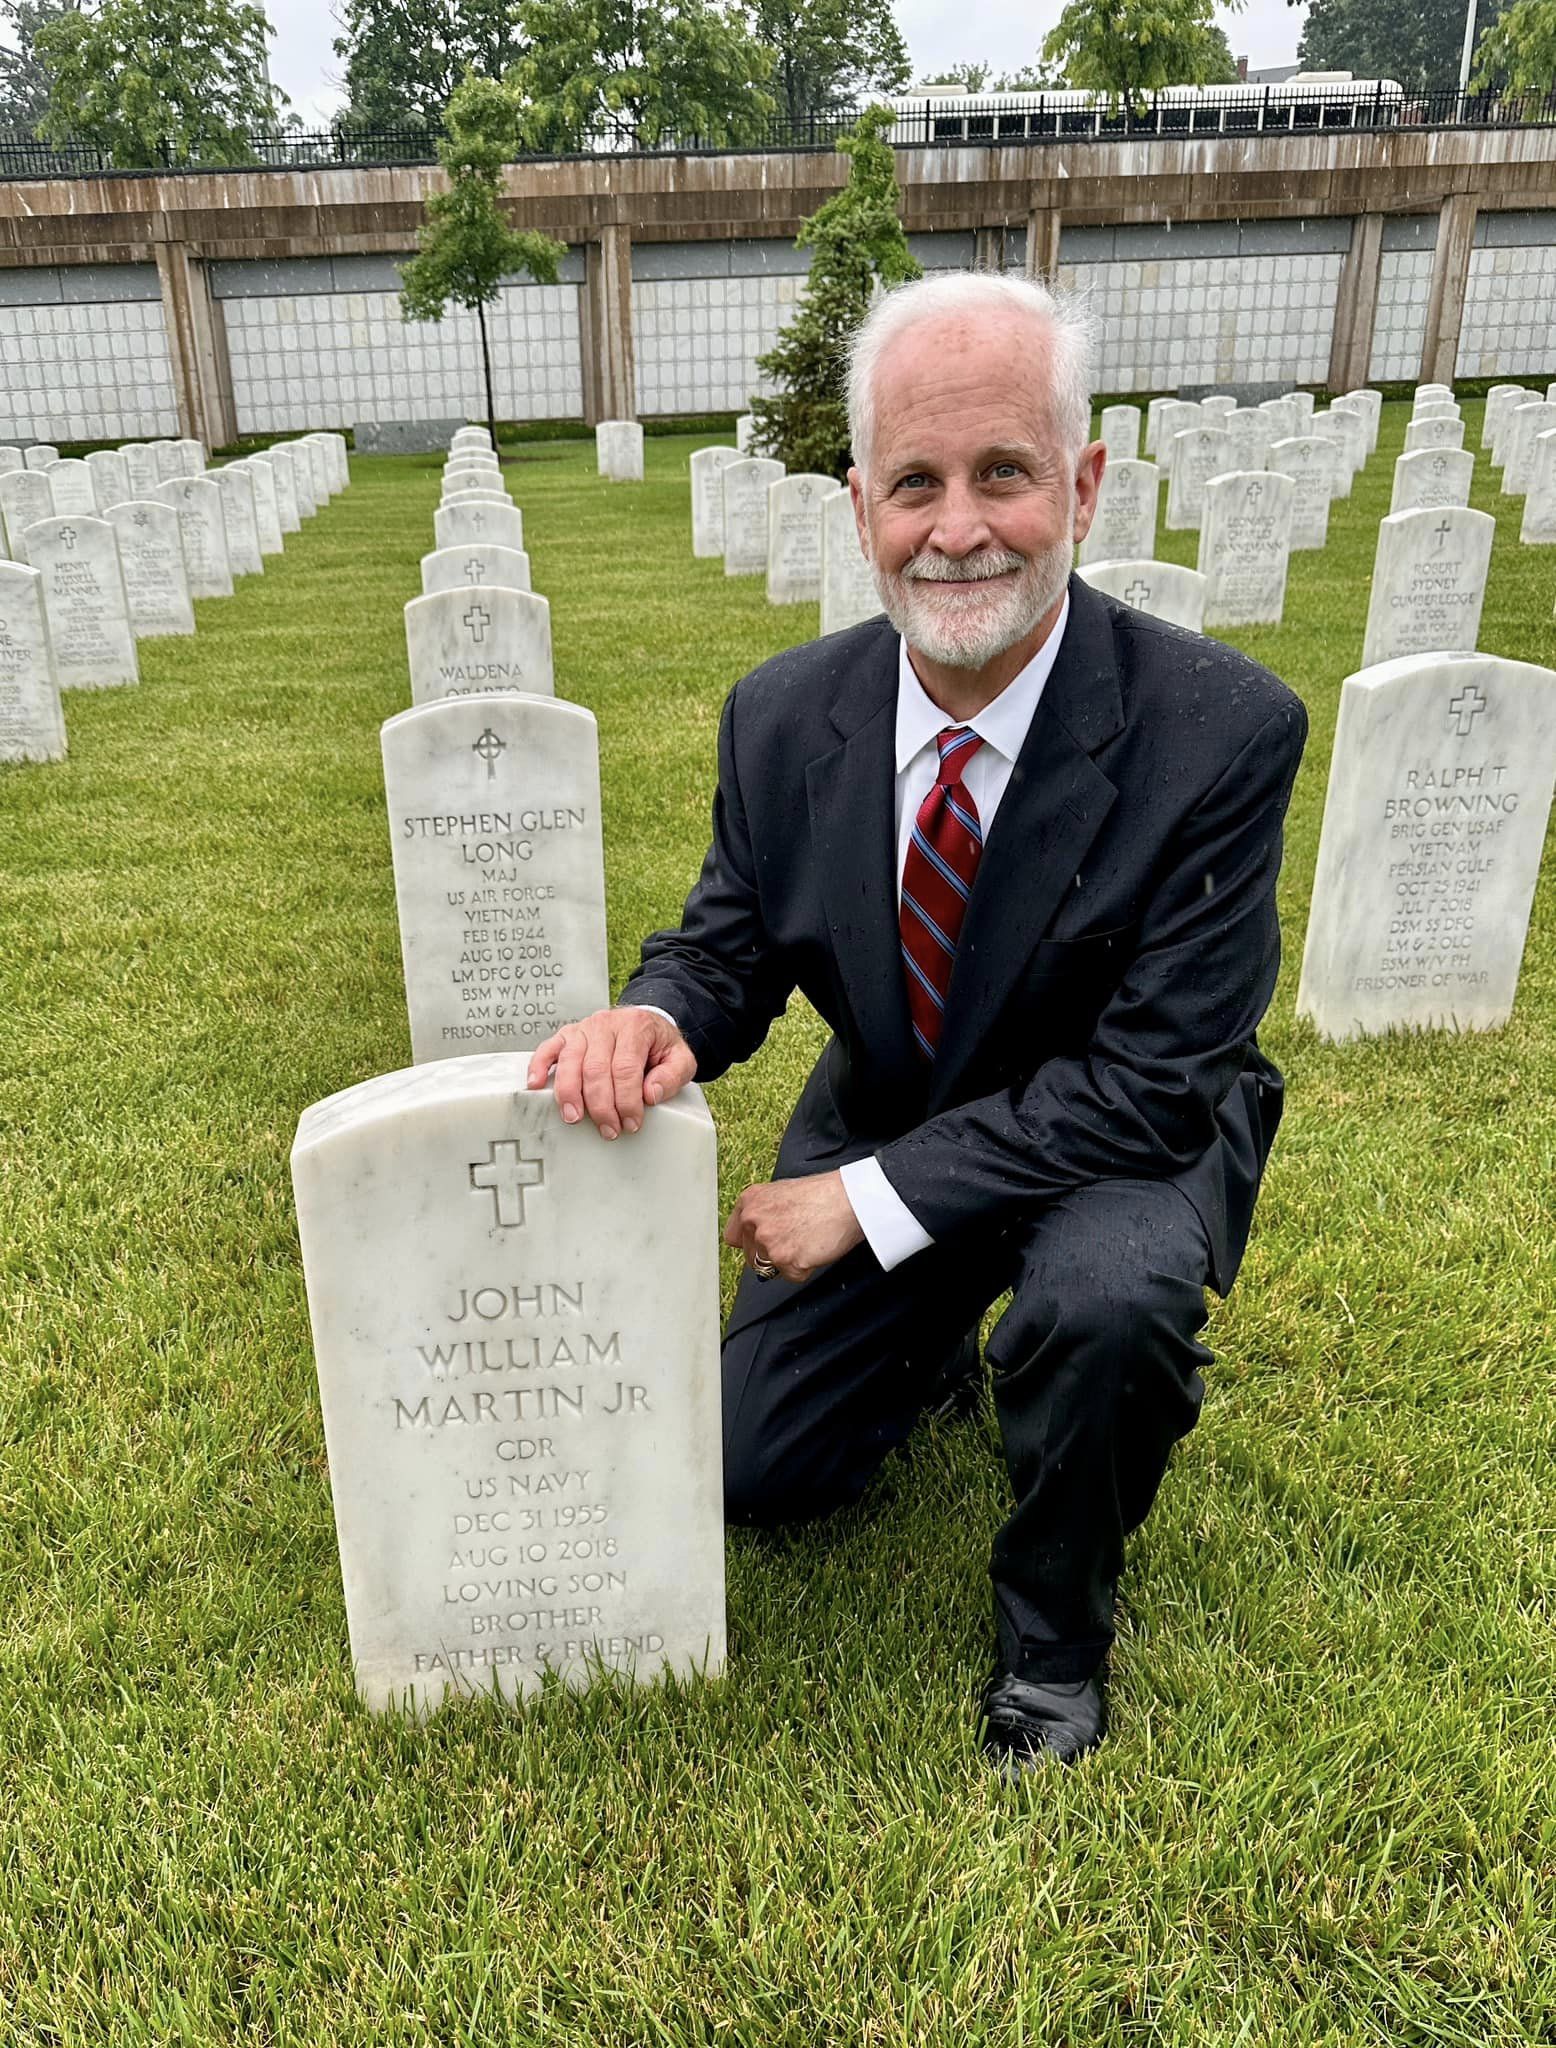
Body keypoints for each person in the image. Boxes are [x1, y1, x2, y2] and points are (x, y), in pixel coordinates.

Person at [527, 272, 1307, 1771]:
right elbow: (732, 940)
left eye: (1003, 474)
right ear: (860, 503)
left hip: (1120, 1149)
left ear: (1079, 484)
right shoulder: (780, 715)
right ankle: (946, 1337)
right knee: (755, 1467)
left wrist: (868, 1205)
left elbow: (1152, 1085)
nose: (957, 529)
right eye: (915, 484)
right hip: (899, 1095)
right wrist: (658, 1016)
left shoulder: (1221, 730)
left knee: (1104, 1306)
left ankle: (1055, 1633)